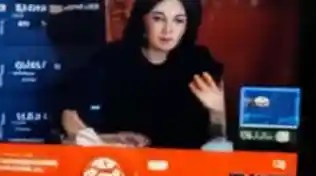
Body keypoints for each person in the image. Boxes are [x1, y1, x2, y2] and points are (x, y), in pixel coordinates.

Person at [61, 0, 226, 149]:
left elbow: (220, 140)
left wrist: (218, 110)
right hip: (123, 165)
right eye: (158, 18)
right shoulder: (112, 58)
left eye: (178, 21)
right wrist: (106, 141)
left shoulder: (200, 62)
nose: (168, 29)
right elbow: (68, 113)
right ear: (143, 19)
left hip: (186, 166)